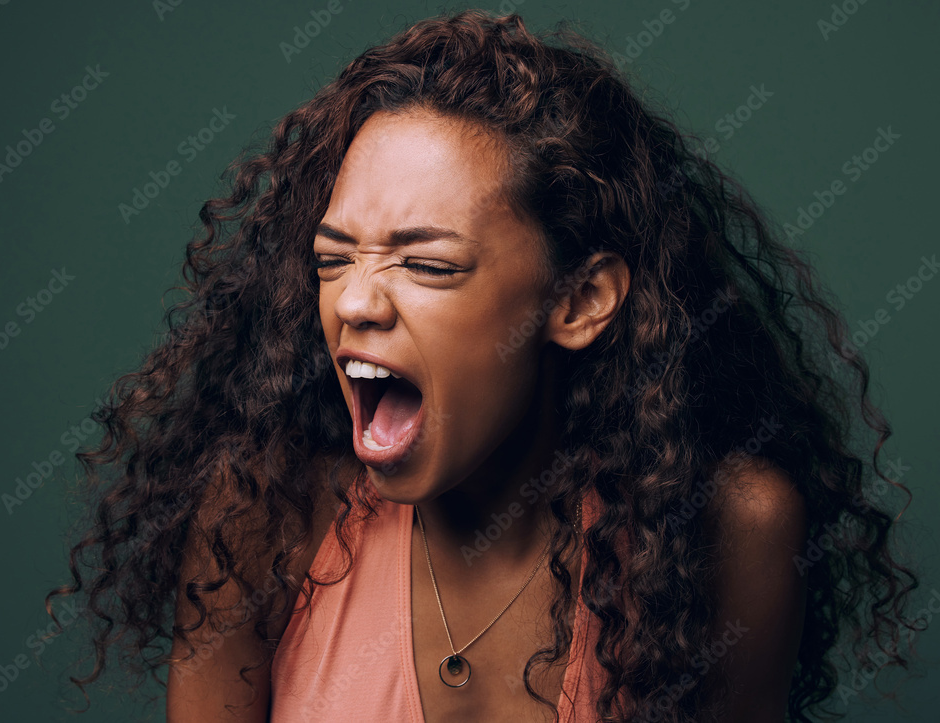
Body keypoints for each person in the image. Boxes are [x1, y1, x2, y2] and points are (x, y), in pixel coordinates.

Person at [45, 10, 922, 723]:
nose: (355, 303)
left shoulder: (726, 530)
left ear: (578, 303)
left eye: (426, 265)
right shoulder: (264, 515)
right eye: (334, 258)